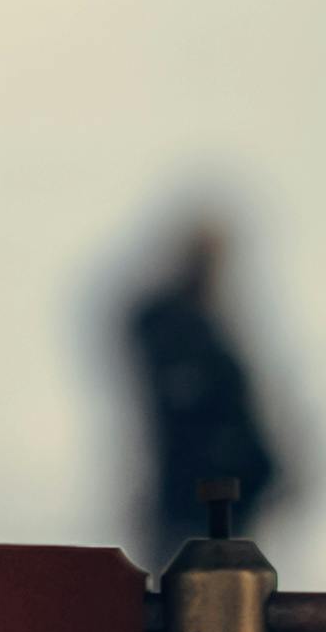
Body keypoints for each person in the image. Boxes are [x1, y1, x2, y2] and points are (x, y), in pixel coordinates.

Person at [118, 211, 284, 559]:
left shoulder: (204, 324)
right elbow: (195, 409)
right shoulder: (173, 324)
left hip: (216, 494)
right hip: (193, 496)